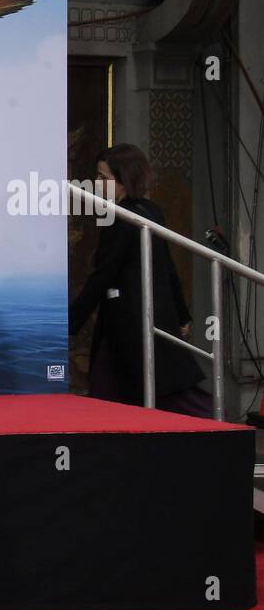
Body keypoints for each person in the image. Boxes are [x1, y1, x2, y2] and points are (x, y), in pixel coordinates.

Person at [69, 144, 211, 417]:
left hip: (130, 324)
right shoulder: (150, 210)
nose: (97, 183)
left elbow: (103, 275)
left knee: (133, 393)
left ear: (123, 179)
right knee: (130, 391)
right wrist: (182, 315)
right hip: (143, 319)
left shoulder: (123, 217)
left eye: (103, 177)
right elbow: (168, 267)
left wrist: (71, 322)